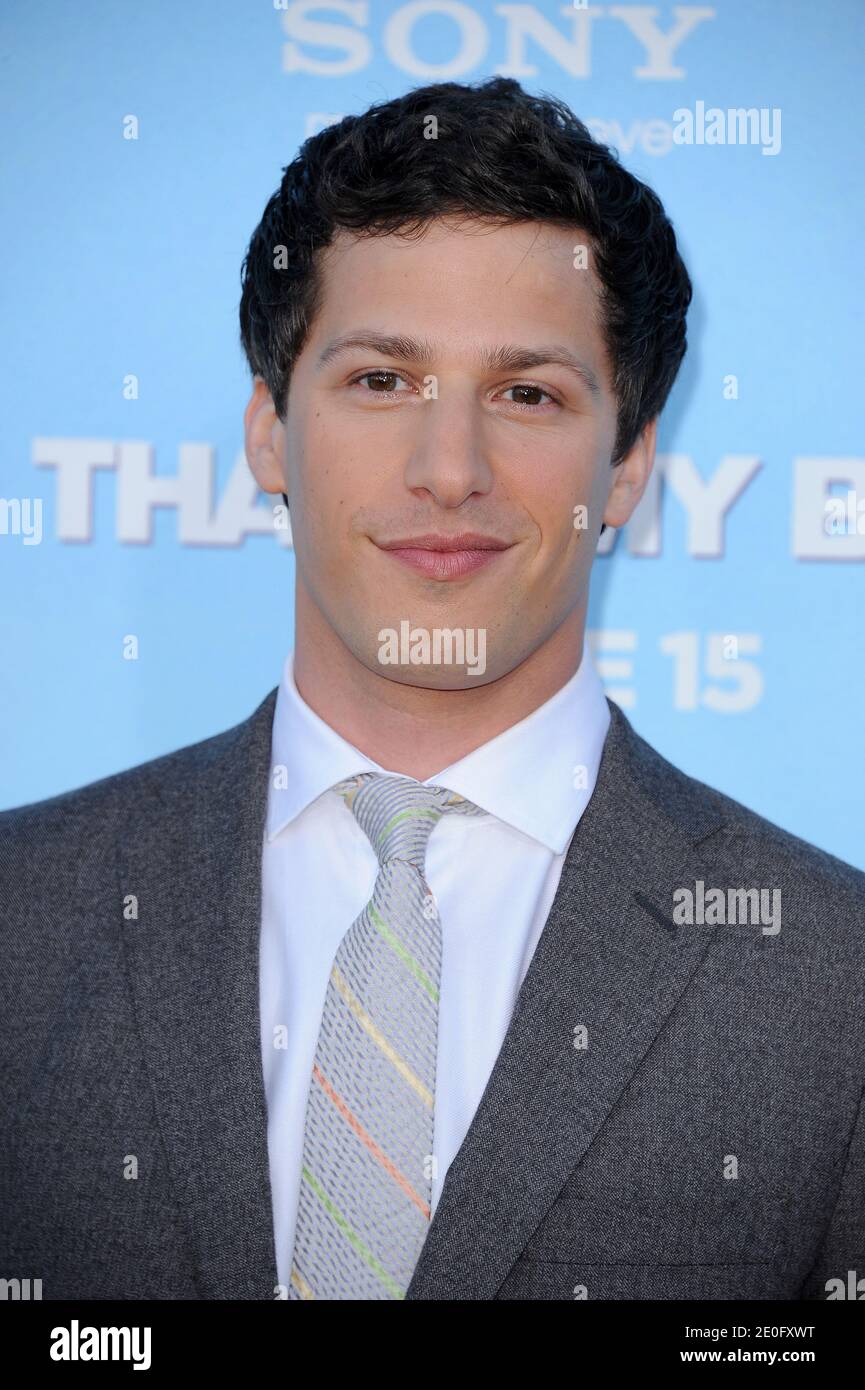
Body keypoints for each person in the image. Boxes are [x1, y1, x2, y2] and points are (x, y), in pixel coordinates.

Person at [2, 77, 863, 1302]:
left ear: (624, 469)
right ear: (267, 432)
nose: (449, 468)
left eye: (527, 394)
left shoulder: (835, 982)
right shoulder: (19, 918)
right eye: (380, 380)